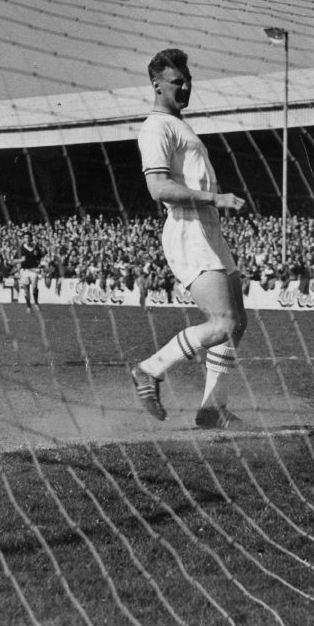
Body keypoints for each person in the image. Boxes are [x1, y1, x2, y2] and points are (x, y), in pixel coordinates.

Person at [131, 48, 249, 430]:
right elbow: (157, 187)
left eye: (188, 81)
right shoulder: (157, 126)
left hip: (208, 227)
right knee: (223, 321)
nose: (185, 88)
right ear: (157, 84)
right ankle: (150, 370)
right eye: (177, 82)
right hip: (187, 226)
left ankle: (213, 408)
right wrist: (215, 198)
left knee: (238, 322)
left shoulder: (180, 124)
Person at [13, 231, 43, 311]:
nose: (27, 239)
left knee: (35, 287)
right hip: (24, 270)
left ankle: (36, 303)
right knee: (26, 290)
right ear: (23, 239)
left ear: (31, 238)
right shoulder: (21, 248)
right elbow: (14, 260)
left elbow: (40, 257)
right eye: (25, 238)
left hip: (34, 269)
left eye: (28, 237)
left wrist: (38, 261)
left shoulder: (35, 247)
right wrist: (20, 260)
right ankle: (29, 306)